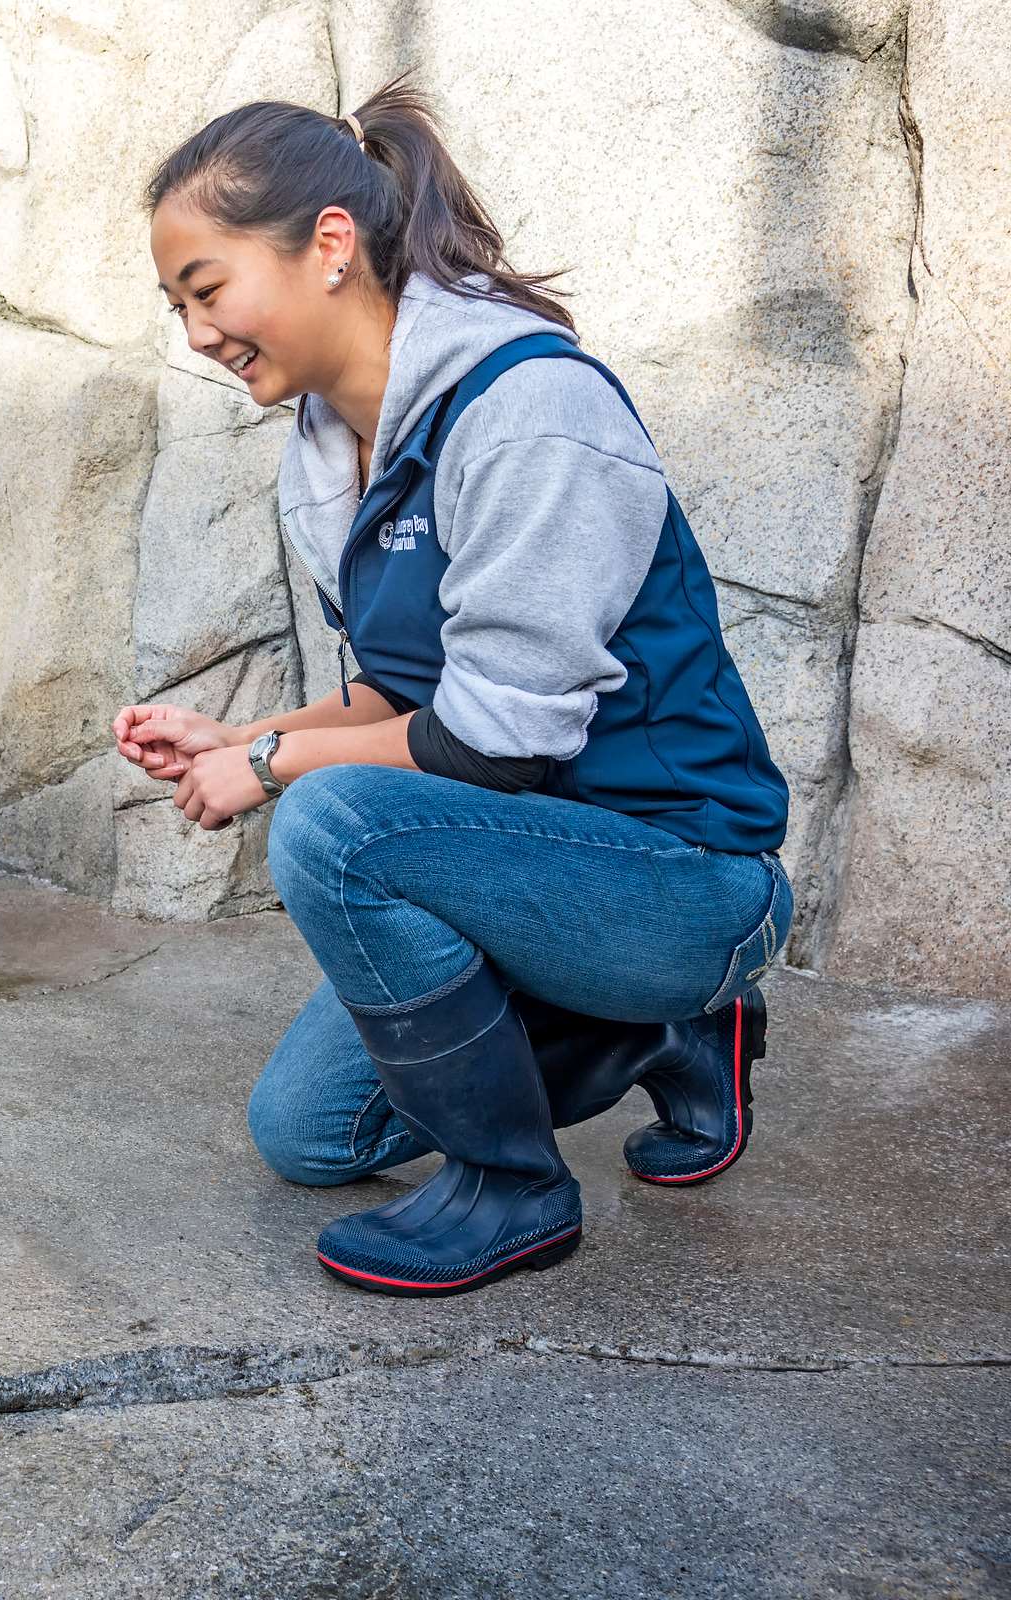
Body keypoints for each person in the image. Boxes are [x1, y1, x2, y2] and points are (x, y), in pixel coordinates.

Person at [115, 78, 793, 1299]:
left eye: (208, 289)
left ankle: (515, 1186)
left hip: (686, 877)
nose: (199, 334)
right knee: (307, 1138)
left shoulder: (530, 410)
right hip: (529, 867)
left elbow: (488, 747)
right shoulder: (329, 451)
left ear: (329, 244)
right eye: (178, 306)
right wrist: (244, 730)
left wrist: (269, 773)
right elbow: (393, 704)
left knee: (330, 827)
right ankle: (656, 1031)